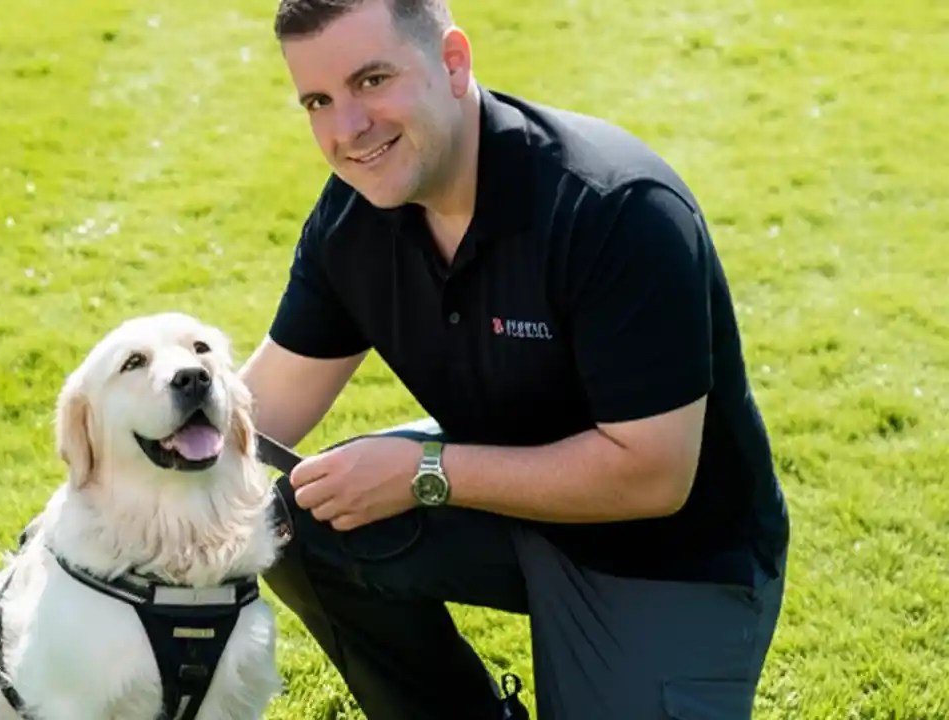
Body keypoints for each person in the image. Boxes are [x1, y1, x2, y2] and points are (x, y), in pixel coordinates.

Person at [239, 0, 792, 719]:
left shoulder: (614, 208)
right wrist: (82, 520)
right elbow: (252, 418)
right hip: (505, 504)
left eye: (372, 80)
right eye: (318, 100)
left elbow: (655, 475)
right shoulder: (355, 216)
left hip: (672, 556)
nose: (346, 130)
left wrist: (425, 473)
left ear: (454, 61)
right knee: (300, 521)